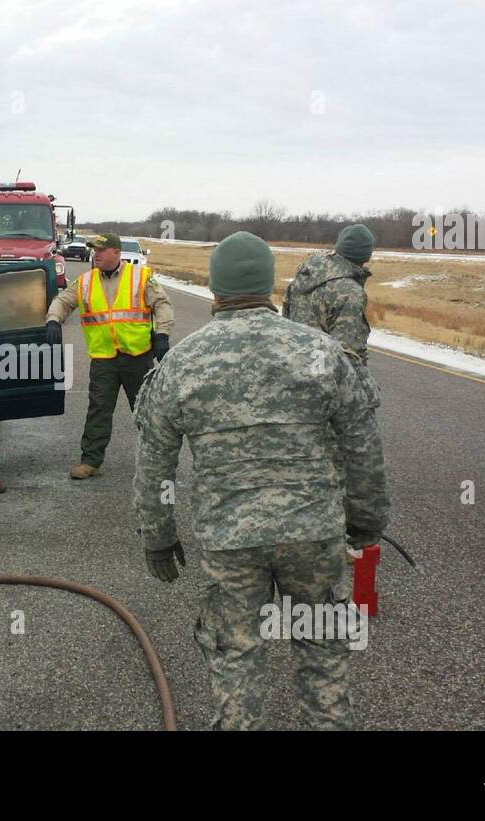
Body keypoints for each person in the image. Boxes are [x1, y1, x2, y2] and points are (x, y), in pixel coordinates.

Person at [132, 231, 390, 730]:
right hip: (313, 534)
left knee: (236, 659)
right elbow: (362, 447)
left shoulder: (182, 362)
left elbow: (155, 464)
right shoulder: (321, 353)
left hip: (230, 539)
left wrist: (157, 537)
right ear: (271, 285)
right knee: (323, 656)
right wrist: (366, 522)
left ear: (214, 288)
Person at [44, 233, 173, 479]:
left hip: (137, 357)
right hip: (104, 359)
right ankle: (91, 461)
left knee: (146, 411)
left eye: (101, 250)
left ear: (116, 252)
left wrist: (163, 334)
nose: (96, 254)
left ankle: (158, 462)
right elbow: (63, 301)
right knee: (99, 410)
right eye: (94, 250)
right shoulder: (85, 282)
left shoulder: (140, 277)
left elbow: (162, 305)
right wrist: (53, 320)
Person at [281, 224, 380, 408]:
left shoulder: (304, 276)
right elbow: (349, 354)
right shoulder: (349, 291)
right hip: (325, 386)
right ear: (366, 255)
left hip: (293, 376)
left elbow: (285, 319)